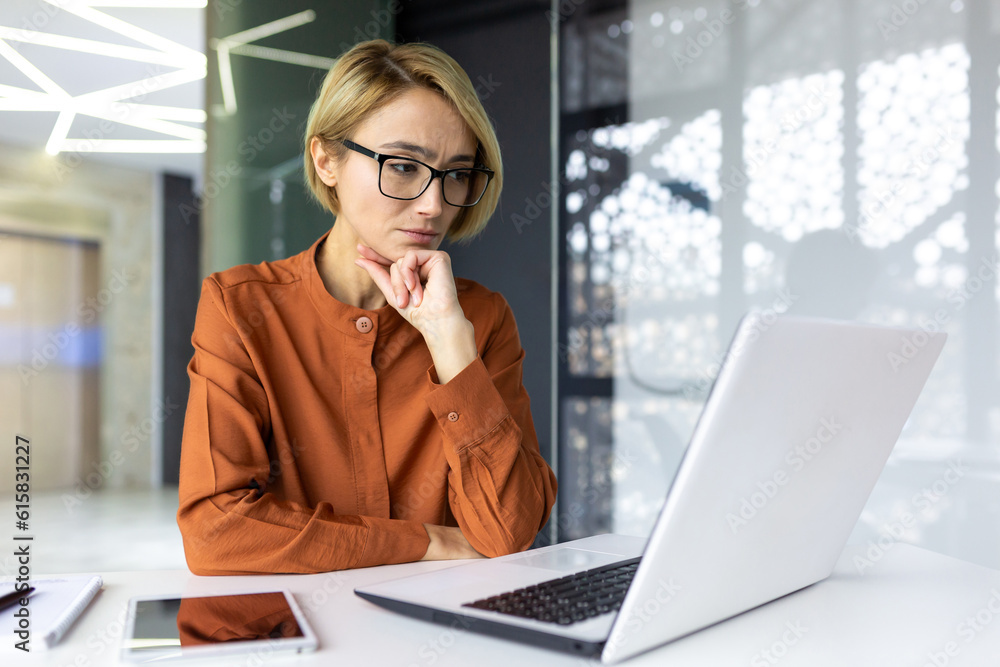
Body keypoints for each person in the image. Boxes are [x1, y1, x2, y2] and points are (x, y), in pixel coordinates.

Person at [176, 39, 557, 575]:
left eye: (455, 174)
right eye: (402, 166)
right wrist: (427, 541)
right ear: (326, 160)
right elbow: (217, 532)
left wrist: (451, 344)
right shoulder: (240, 308)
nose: (433, 205)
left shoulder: (481, 319)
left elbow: (506, 532)